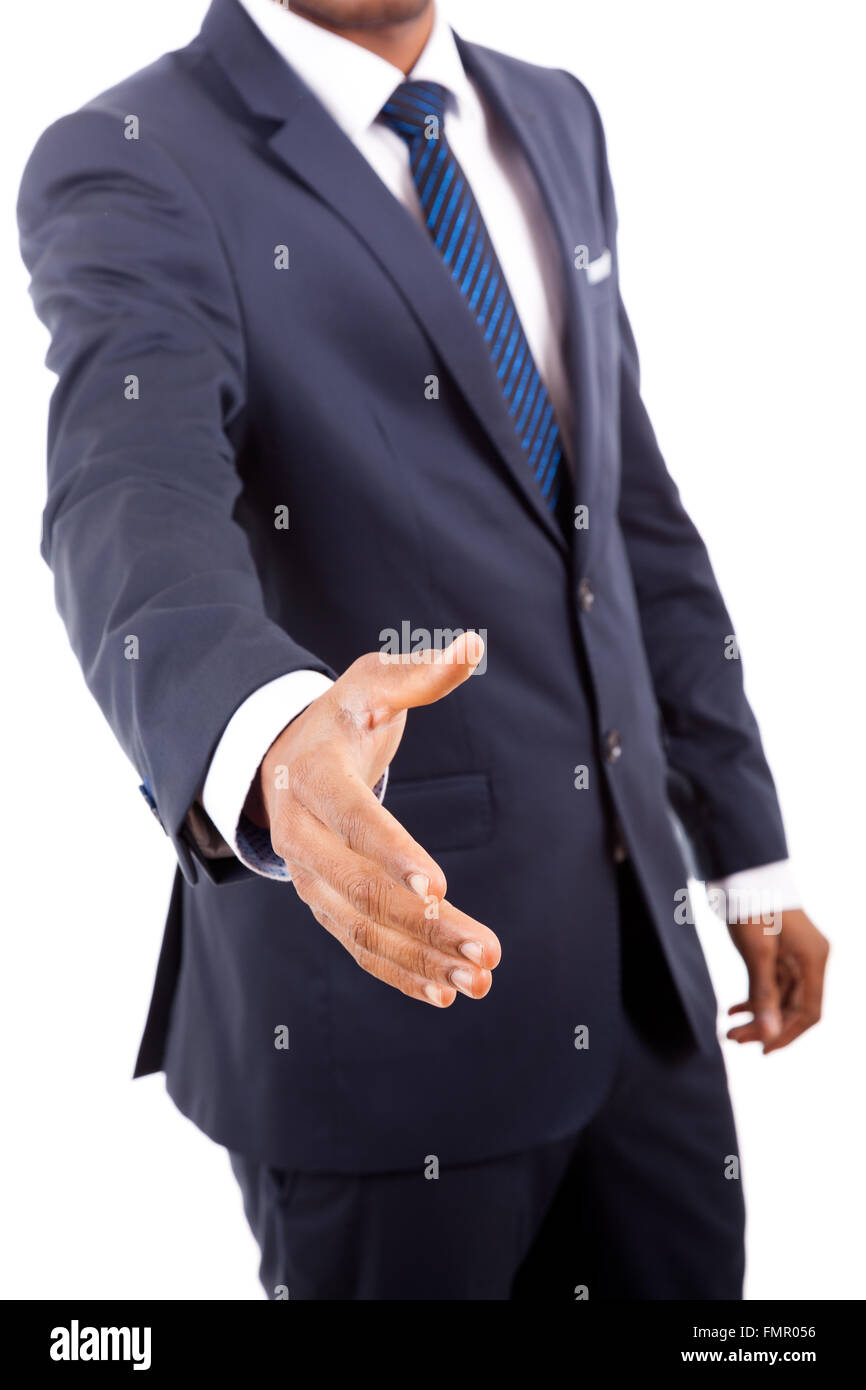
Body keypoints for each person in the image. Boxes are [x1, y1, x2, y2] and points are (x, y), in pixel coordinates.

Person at [18, 0, 828, 1300]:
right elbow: (127, 487)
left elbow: (620, 516)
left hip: (642, 994)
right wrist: (263, 729)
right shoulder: (131, 150)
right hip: (383, 1023)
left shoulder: (553, 110)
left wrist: (745, 849)